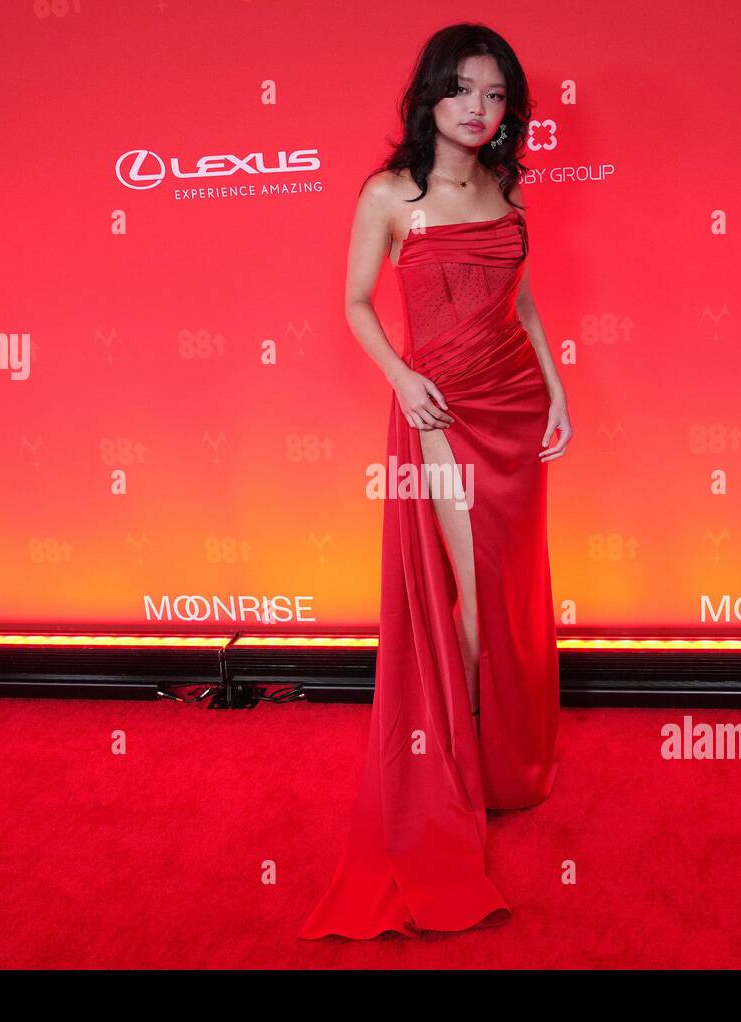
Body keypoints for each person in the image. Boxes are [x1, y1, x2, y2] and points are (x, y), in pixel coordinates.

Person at [299, 22, 573, 940]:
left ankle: (504, 762)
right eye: (463, 91)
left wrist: (559, 388)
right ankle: (447, 768)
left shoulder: (500, 184)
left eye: (496, 96)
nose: (479, 109)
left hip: (515, 404)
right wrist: (405, 377)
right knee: (462, 596)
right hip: (442, 414)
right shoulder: (391, 195)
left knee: (509, 589)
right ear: (430, 95)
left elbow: (521, 299)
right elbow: (352, 302)